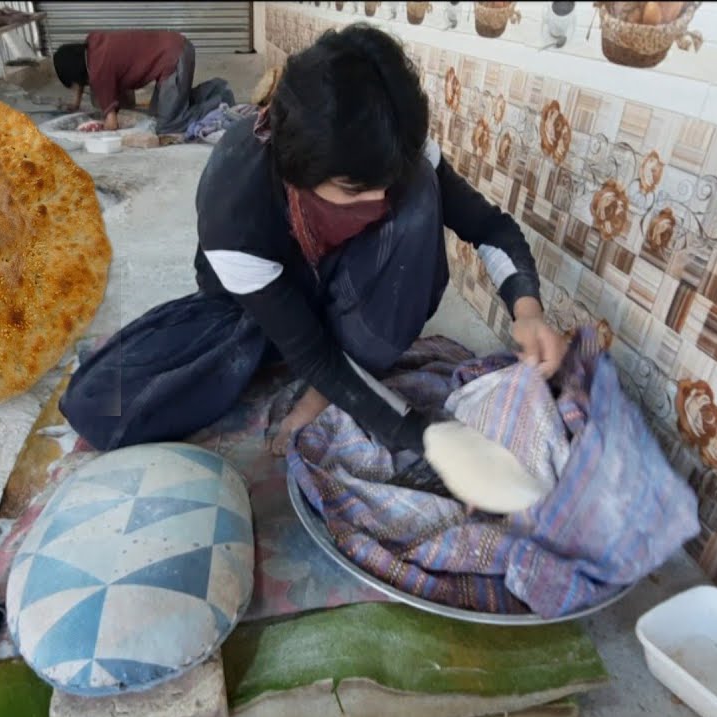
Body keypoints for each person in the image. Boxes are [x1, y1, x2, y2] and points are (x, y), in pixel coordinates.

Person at [60, 24, 567, 465]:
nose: (377, 201)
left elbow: (491, 228)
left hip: (338, 280)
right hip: (253, 306)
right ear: (297, 171)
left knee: (419, 201)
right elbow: (315, 354)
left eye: (382, 185)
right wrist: (423, 439)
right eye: (353, 191)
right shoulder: (236, 210)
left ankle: (354, 356)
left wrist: (528, 312)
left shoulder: (391, 149)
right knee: (109, 408)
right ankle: (311, 375)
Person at [52, 31, 234, 135]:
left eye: (75, 85)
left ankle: (219, 100)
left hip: (174, 58)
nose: (79, 88)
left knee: (168, 125)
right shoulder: (92, 46)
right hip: (174, 47)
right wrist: (76, 103)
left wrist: (96, 129)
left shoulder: (100, 73)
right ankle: (215, 88)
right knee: (155, 115)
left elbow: (111, 125)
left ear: (76, 74)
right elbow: (84, 78)